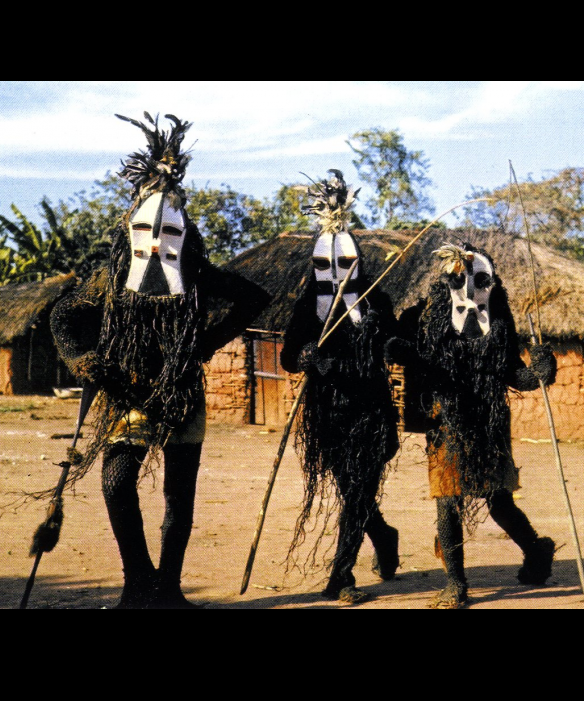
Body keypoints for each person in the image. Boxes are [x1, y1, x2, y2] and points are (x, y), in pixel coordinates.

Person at [50, 112, 268, 608]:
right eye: (146, 228)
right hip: (125, 392)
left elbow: (254, 297)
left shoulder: (197, 276)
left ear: (184, 234)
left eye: (167, 230)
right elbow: (64, 314)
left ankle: (168, 588)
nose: (154, 241)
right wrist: (82, 359)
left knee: (178, 495)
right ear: (130, 229)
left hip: (181, 393)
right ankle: (137, 580)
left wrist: (207, 342)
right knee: (116, 481)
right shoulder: (111, 280)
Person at [385, 241, 557, 609]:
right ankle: (456, 583)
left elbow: (515, 375)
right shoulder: (430, 323)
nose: (469, 287)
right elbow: (420, 360)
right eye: (460, 279)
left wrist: (541, 370)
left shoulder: (498, 326)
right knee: (448, 501)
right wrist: (400, 351)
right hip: (446, 424)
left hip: (489, 425)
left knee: (498, 500)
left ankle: (536, 549)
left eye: (480, 280)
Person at [280, 170, 400, 603]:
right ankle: (383, 536)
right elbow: (287, 358)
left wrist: (392, 344)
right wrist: (306, 357)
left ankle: (342, 576)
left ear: (359, 263)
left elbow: (393, 345)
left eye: (346, 265)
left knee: (358, 494)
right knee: (353, 492)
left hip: (372, 414)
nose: (337, 274)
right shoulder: (307, 309)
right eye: (325, 265)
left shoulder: (376, 303)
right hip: (328, 416)